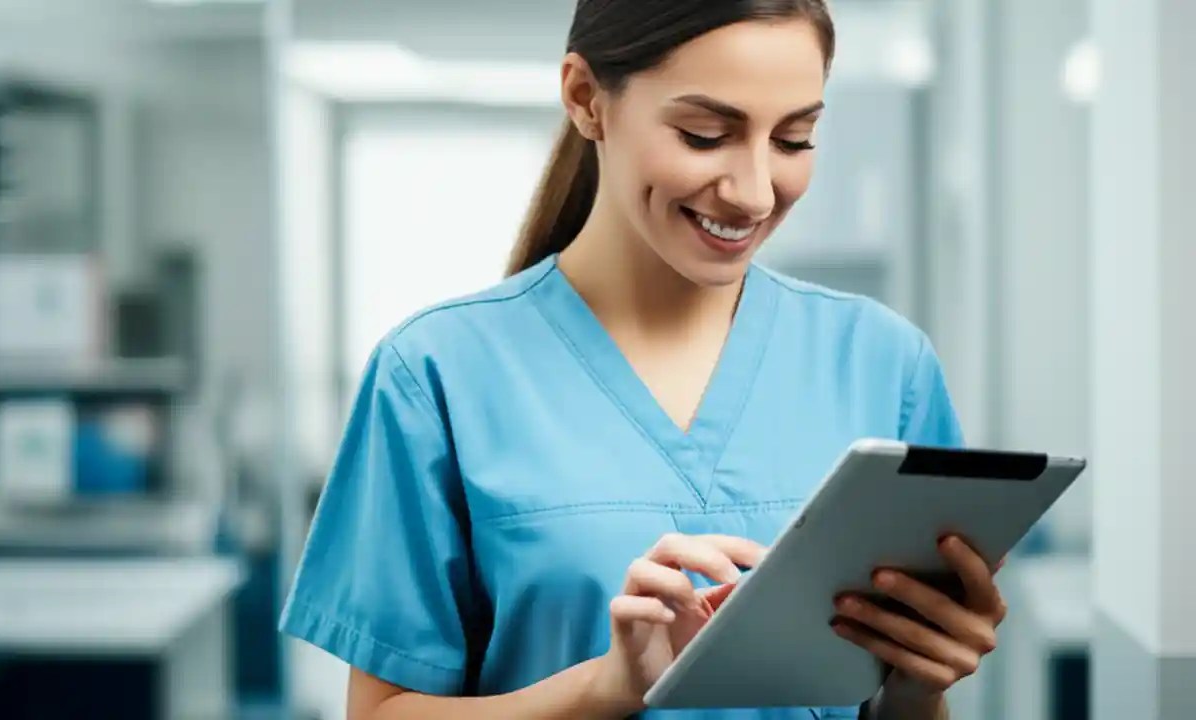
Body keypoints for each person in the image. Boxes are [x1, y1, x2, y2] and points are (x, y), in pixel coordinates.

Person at [279, 1, 1009, 718]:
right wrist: (604, 691)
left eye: (793, 140)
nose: (755, 191)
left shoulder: (883, 364)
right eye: (704, 134)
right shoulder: (435, 375)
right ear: (585, 99)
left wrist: (918, 689)